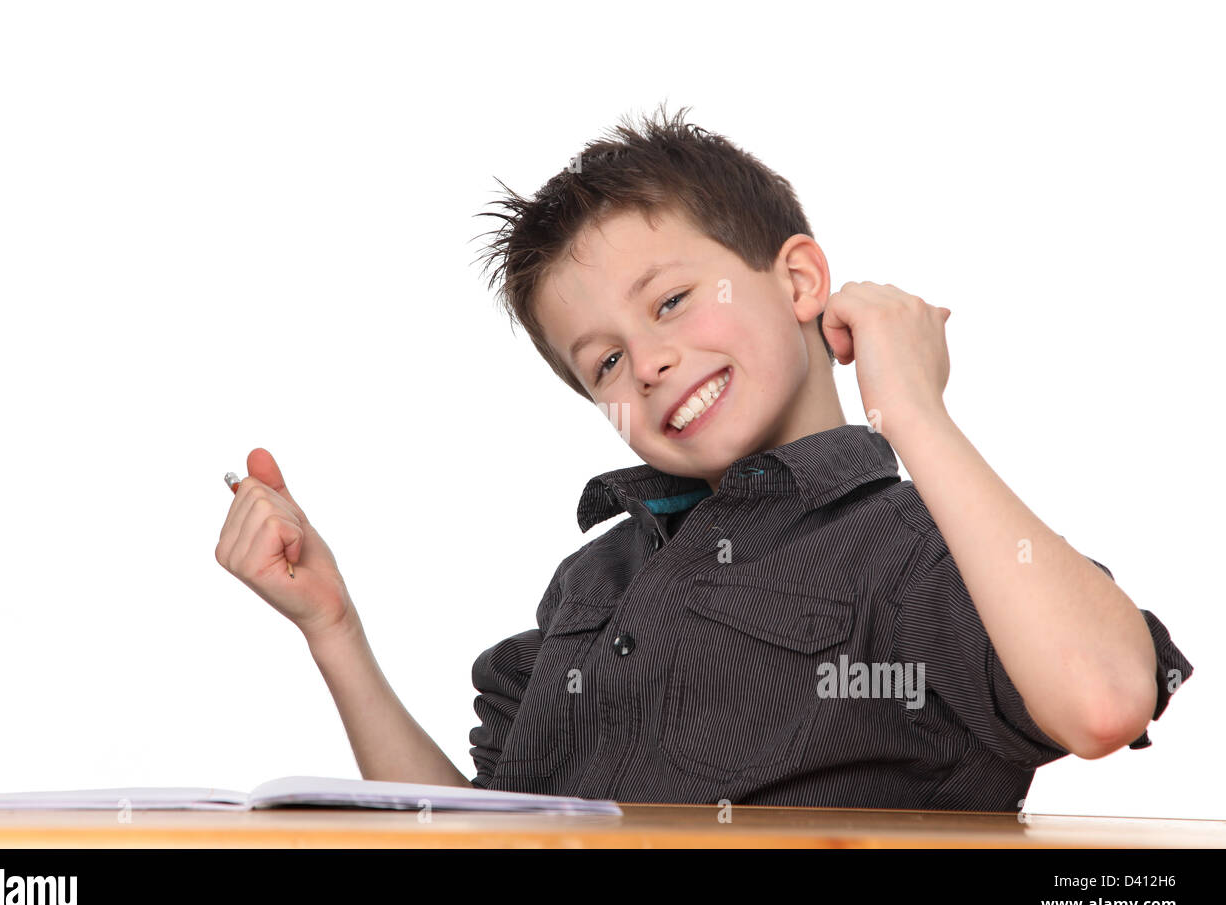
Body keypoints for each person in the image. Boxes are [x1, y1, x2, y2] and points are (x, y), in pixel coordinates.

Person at [214, 104, 1193, 810]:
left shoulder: (914, 549)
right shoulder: (591, 585)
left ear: (801, 278)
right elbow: (481, 837)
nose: (645, 362)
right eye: (602, 361)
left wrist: (911, 411)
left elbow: (1102, 699)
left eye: (670, 301)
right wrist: (333, 629)